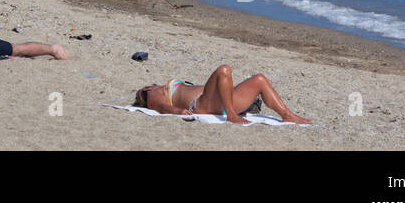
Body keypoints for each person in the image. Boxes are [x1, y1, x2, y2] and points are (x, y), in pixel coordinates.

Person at [133, 64, 311, 124]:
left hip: (221, 100)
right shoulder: (152, 93)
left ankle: (287, 116)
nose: (154, 84)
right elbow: (161, 107)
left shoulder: (164, 88)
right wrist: (178, 112)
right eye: (151, 85)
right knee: (223, 70)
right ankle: (232, 115)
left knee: (259, 79)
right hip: (200, 105)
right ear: (147, 89)